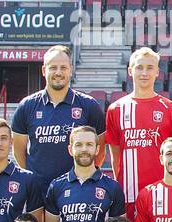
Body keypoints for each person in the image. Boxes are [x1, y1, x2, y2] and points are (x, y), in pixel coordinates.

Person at [10, 44, 105, 187]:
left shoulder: (89, 105)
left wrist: (84, 175)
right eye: (53, 67)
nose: (58, 72)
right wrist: (34, 177)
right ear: (43, 70)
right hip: (38, 190)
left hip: (77, 189)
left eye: (63, 67)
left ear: (70, 70)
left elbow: (100, 150)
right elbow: (18, 150)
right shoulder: (27, 106)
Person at [105, 47, 172, 207]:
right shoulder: (116, 109)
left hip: (163, 193)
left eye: (150, 68)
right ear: (130, 71)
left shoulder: (171, 109)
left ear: (157, 72)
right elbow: (115, 157)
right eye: (139, 67)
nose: (144, 73)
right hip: (128, 194)